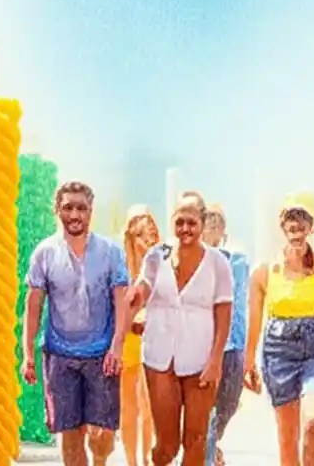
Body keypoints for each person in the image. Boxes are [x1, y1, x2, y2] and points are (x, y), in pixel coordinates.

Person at [21, 181, 131, 466]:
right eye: (68, 207)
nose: (74, 214)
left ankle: (101, 458)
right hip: (60, 357)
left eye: (81, 208)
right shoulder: (44, 253)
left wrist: (117, 347)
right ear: (57, 210)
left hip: (101, 357)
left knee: (101, 438)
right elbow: (33, 306)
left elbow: (122, 302)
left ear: (90, 212)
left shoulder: (111, 252)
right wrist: (27, 355)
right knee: (71, 442)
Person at [124, 192, 234, 465]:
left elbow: (224, 311)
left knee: (195, 440)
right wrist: (136, 296)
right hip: (160, 356)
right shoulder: (157, 255)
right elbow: (144, 286)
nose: (185, 229)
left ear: (203, 222)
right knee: (168, 445)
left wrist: (216, 360)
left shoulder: (217, 262)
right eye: (179, 222)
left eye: (192, 223)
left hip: (200, 358)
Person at [243, 205, 314, 466]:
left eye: (301, 224)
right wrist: (248, 362)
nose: (296, 229)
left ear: (311, 228)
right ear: (283, 228)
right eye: (290, 223)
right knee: (287, 438)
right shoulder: (264, 271)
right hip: (279, 352)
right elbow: (255, 319)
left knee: (313, 419)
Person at [200, 204, 250, 466]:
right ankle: (204, 456)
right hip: (203, 347)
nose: (213, 228)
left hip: (234, 344)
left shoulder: (238, 260)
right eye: (208, 222)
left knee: (228, 405)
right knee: (205, 411)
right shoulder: (191, 259)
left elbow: (242, 301)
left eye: (217, 223)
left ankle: (210, 446)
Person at [121, 205, 161, 466]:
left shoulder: (160, 264)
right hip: (126, 340)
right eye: (139, 235)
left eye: (149, 236)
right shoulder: (119, 266)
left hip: (153, 339)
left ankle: (147, 459)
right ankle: (131, 461)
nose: (144, 242)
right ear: (129, 237)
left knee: (149, 407)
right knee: (128, 406)